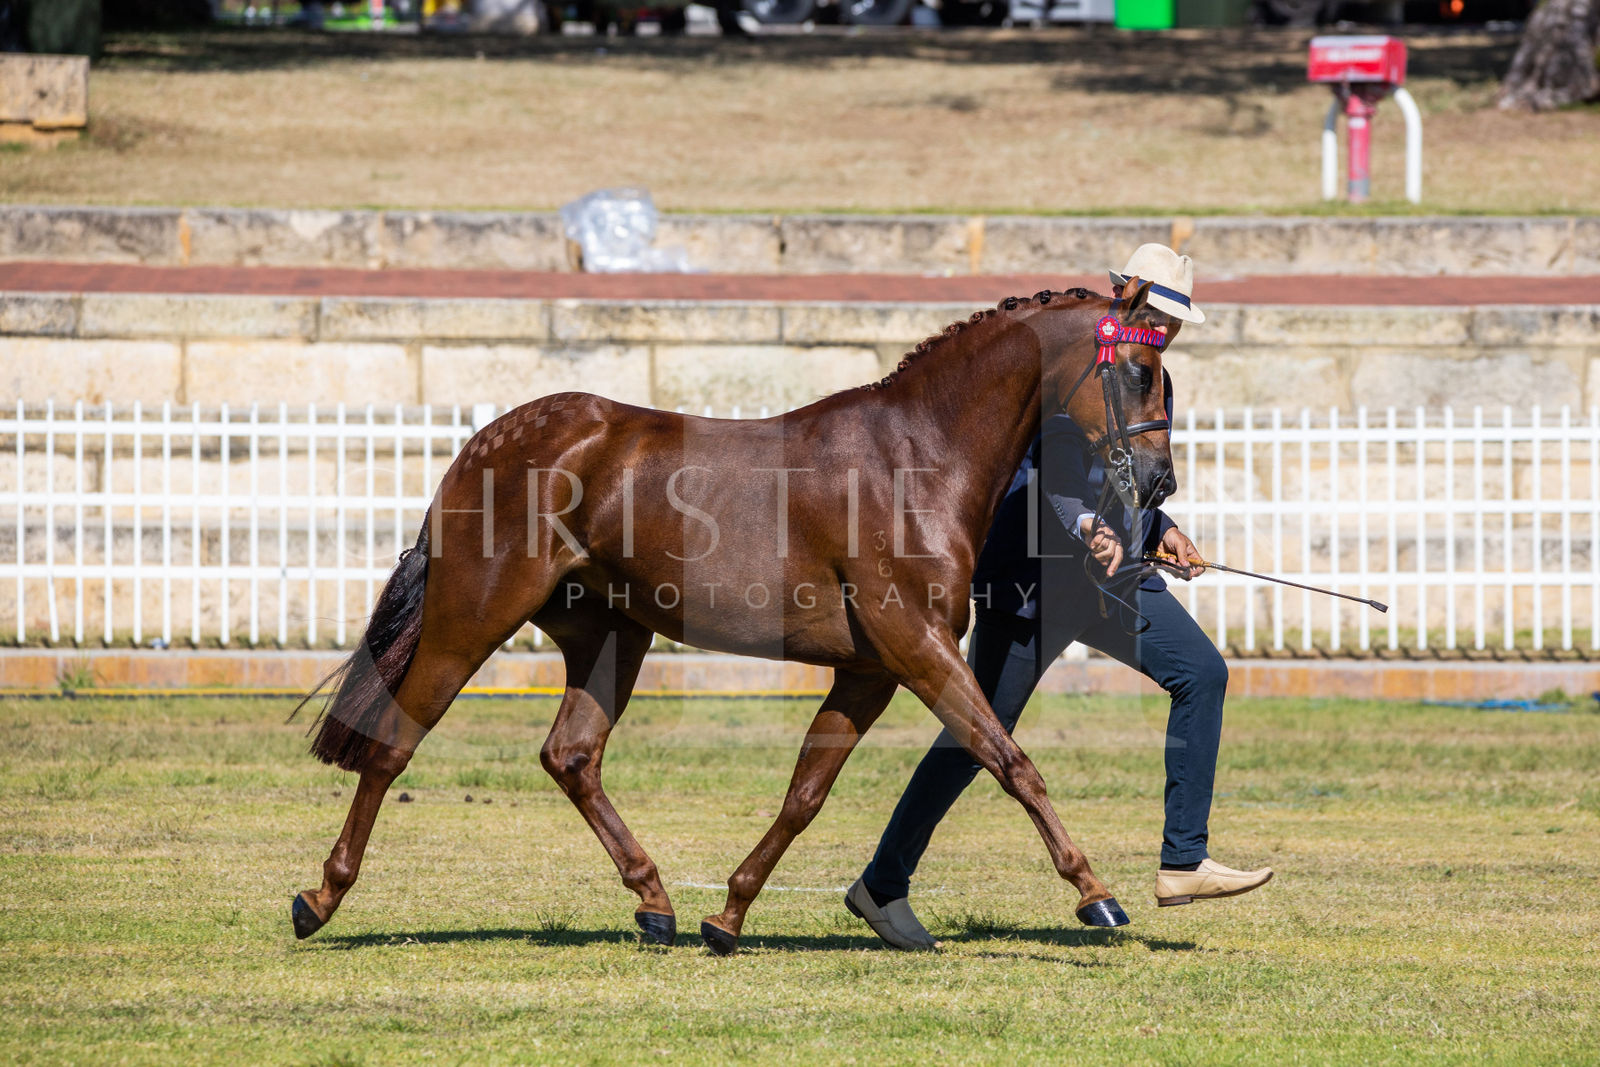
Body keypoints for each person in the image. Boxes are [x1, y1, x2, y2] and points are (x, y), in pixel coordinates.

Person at [844, 245, 1273, 950]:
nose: (1166, 330)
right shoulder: (1066, 359)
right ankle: (882, 883)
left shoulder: (1151, 379)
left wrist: (1161, 529)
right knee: (976, 735)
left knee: (1200, 673)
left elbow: (1130, 473)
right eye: (1159, 313)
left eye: (1176, 321)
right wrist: (1083, 524)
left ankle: (1183, 860)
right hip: (1033, 580)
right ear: (1129, 295)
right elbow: (1040, 468)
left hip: (1113, 580)